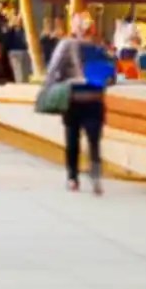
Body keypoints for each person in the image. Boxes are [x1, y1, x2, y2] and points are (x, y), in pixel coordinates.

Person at [43, 12, 104, 195]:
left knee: (92, 139)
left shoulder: (97, 47)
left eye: (86, 24)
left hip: (93, 101)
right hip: (74, 101)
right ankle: (73, 176)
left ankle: (92, 174)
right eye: (80, 24)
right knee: (74, 140)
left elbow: (109, 73)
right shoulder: (67, 45)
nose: (84, 28)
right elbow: (54, 70)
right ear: (74, 27)